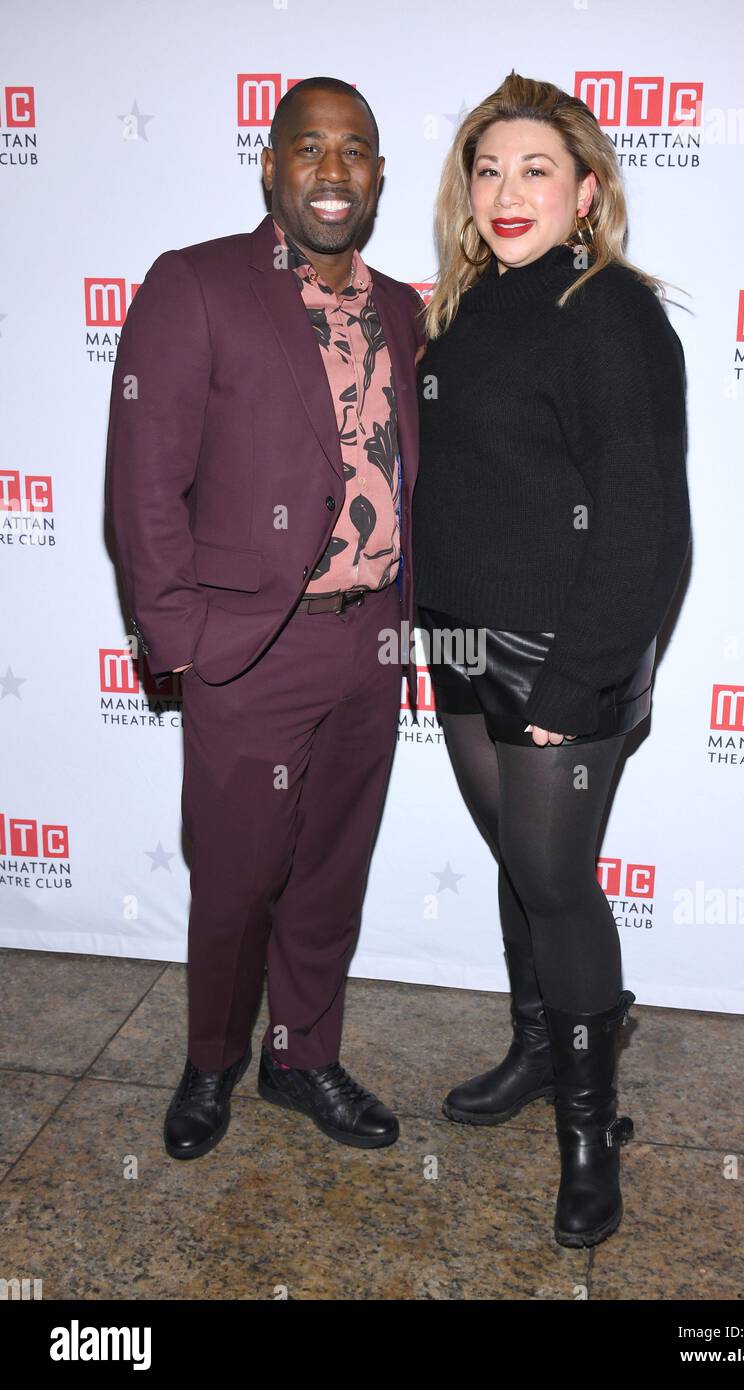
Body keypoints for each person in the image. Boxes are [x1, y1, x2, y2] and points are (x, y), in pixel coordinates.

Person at [106, 77, 425, 1160]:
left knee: (334, 866)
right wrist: (180, 639)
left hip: (372, 636)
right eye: (310, 148)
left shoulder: (404, 309)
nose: (332, 172)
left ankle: (302, 1055)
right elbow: (143, 485)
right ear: (272, 165)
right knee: (237, 876)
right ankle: (211, 1064)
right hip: (253, 647)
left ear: (377, 176)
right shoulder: (195, 285)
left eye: (355, 152)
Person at [412, 71, 691, 1246]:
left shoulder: (609, 309)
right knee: (519, 866)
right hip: (463, 643)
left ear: (587, 192)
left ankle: (589, 1133)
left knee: (559, 882)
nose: (507, 190)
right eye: (487, 169)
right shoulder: (466, 308)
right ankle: (539, 1043)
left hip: (564, 655)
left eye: (535, 169)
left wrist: (573, 683)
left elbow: (646, 526)